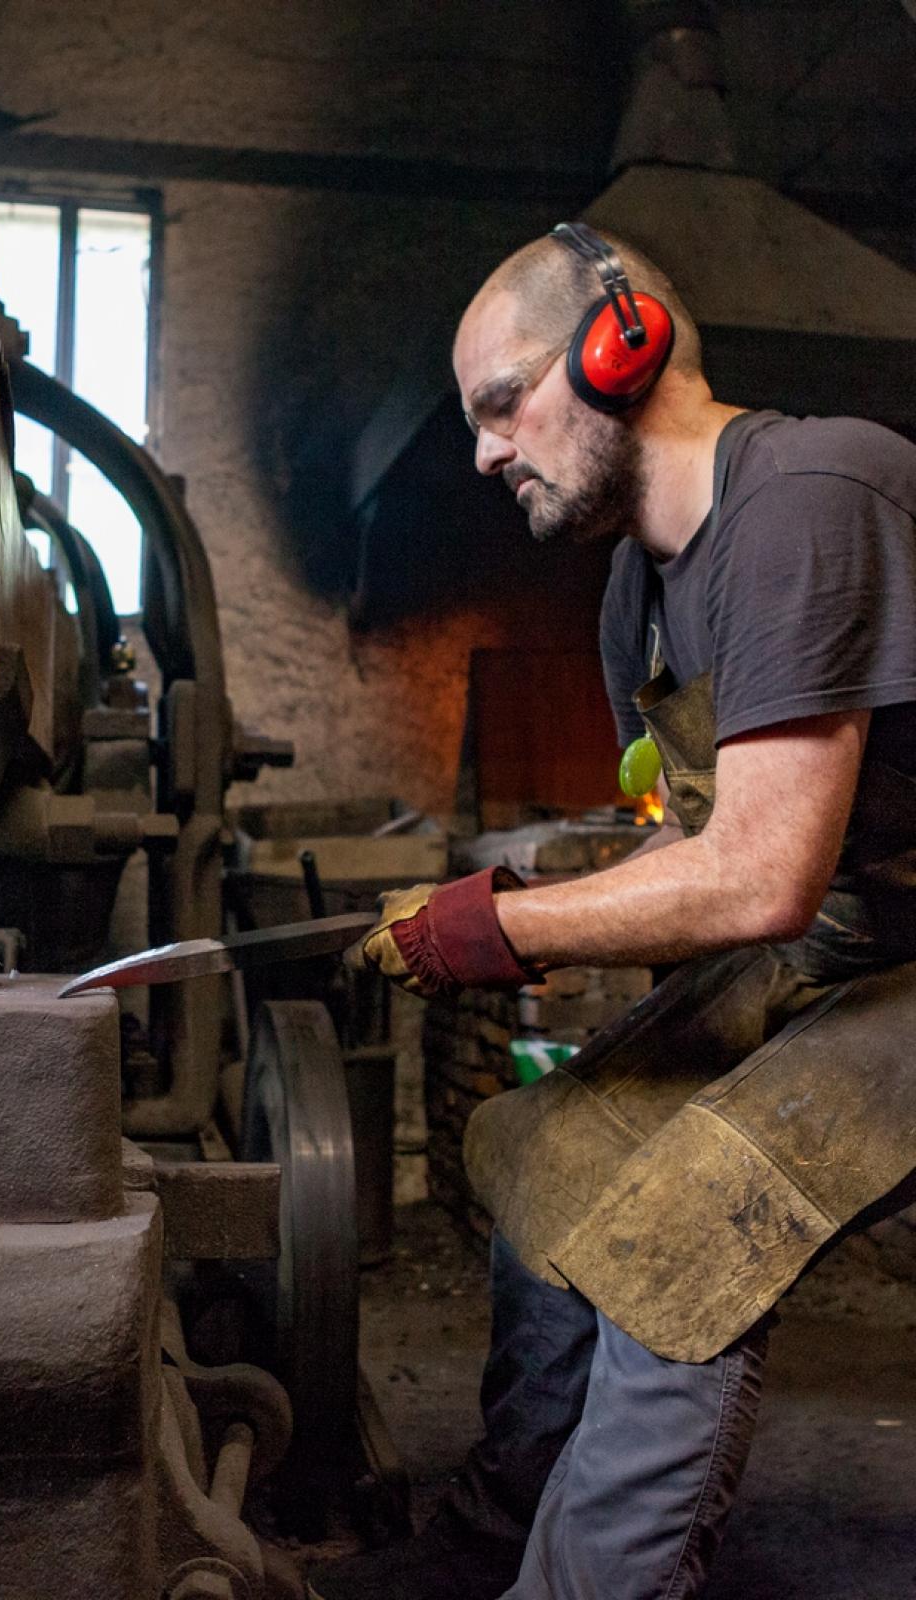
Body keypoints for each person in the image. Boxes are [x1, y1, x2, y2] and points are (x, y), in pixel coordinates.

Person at [308, 222, 916, 1600]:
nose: (483, 453)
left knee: (691, 1218)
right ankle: (489, 1543)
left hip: (885, 944)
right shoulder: (634, 590)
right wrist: (528, 914)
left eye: (501, 403)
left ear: (619, 346)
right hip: (846, 937)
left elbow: (759, 874)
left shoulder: (813, 498)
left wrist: (493, 926)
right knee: (551, 1146)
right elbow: (706, 844)